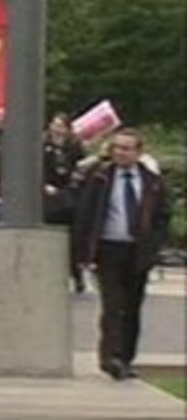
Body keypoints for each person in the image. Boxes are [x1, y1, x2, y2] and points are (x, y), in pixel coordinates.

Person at [73, 128, 170, 381]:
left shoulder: (152, 182)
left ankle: (126, 357)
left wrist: (154, 246)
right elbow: (84, 214)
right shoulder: (100, 178)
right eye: (116, 148)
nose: (120, 153)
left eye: (127, 149)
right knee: (113, 305)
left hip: (137, 250)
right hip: (108, 248)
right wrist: (82, 251)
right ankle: (111, 357)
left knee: (132, 306)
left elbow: (161, 216)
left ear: (138, 152)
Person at [43, 113, 87, 292]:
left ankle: (76, 273)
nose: (57, 129)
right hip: (48, 191)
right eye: (55, 125)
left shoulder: (75, 145)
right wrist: (44, 185)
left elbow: (81, 166)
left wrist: (76, 179)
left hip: (69, 190)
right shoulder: (42, 144)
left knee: (72, 235)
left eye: (61, 126)